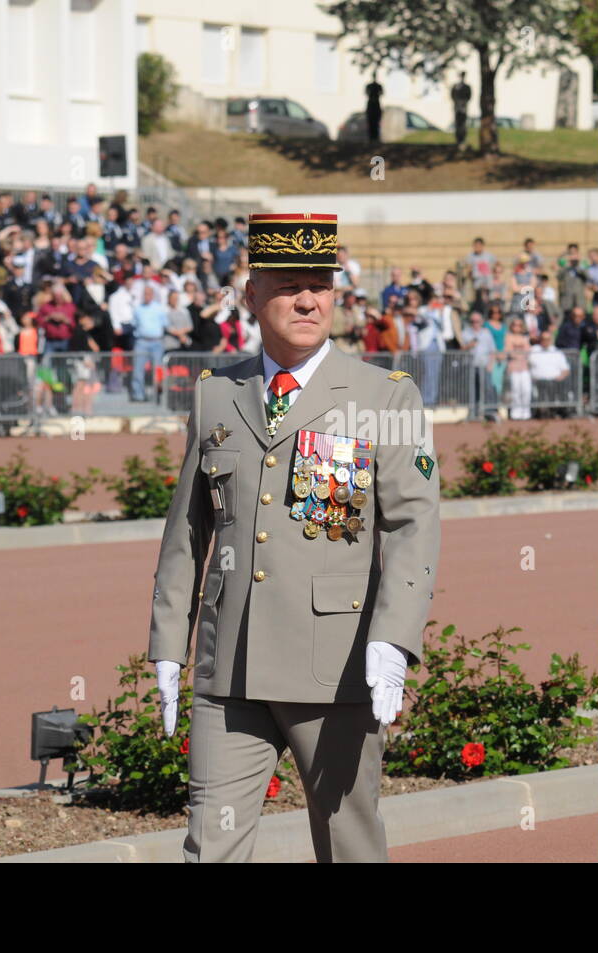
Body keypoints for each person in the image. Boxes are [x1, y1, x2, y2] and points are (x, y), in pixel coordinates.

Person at [147, 211, 440, 863]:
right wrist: (169, 641)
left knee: (348, 841)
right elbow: (187, 532)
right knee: (211, 843)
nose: (308, 299)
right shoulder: (216, 394)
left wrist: (394, 637)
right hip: (231, 667)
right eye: (287, 285)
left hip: (331, 666)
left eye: (321, 284)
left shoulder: (383, 398)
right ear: (251, 295)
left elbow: (413, 527)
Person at [451, 72, 472, 150]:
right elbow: (452, 96)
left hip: (463, 108)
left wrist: (463, 103)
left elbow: (469, 97)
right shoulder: (455, 86)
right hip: (457, 108)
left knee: (463, 125)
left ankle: (462, 140)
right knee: (458, 124)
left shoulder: (467, 87)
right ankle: (458, 140)